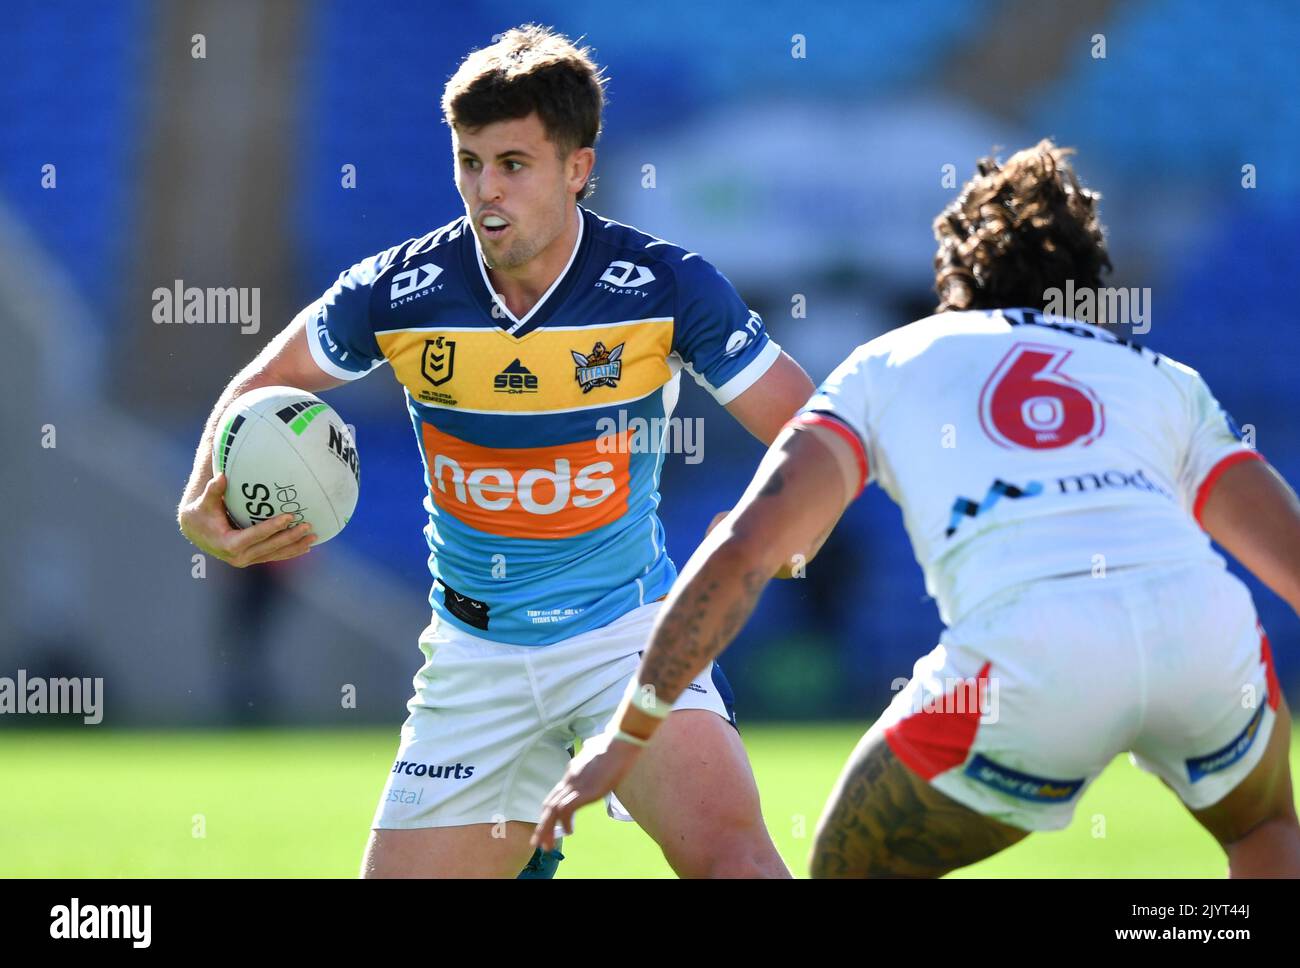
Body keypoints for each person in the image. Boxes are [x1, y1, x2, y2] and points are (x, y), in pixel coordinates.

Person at [534, 140, 1300, 878]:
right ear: (1089, 286)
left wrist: (628, 732)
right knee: (1264, 826)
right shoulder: (1165, 377)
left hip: (1031, 655)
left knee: (849, 867)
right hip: (1204, 633)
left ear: (951, 277)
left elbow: (745, 549)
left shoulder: (892, 359)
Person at [177, 25, 810, 878]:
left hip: (625, 639)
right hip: (473, 654)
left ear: (577, 168)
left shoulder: (666, 286)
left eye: (513, 163)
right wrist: (201, 498)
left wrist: (760, 540)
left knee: (736, 862)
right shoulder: (397, 290)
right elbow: (259, 386)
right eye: (469, 161)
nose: (485, 191)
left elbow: (813, 432)